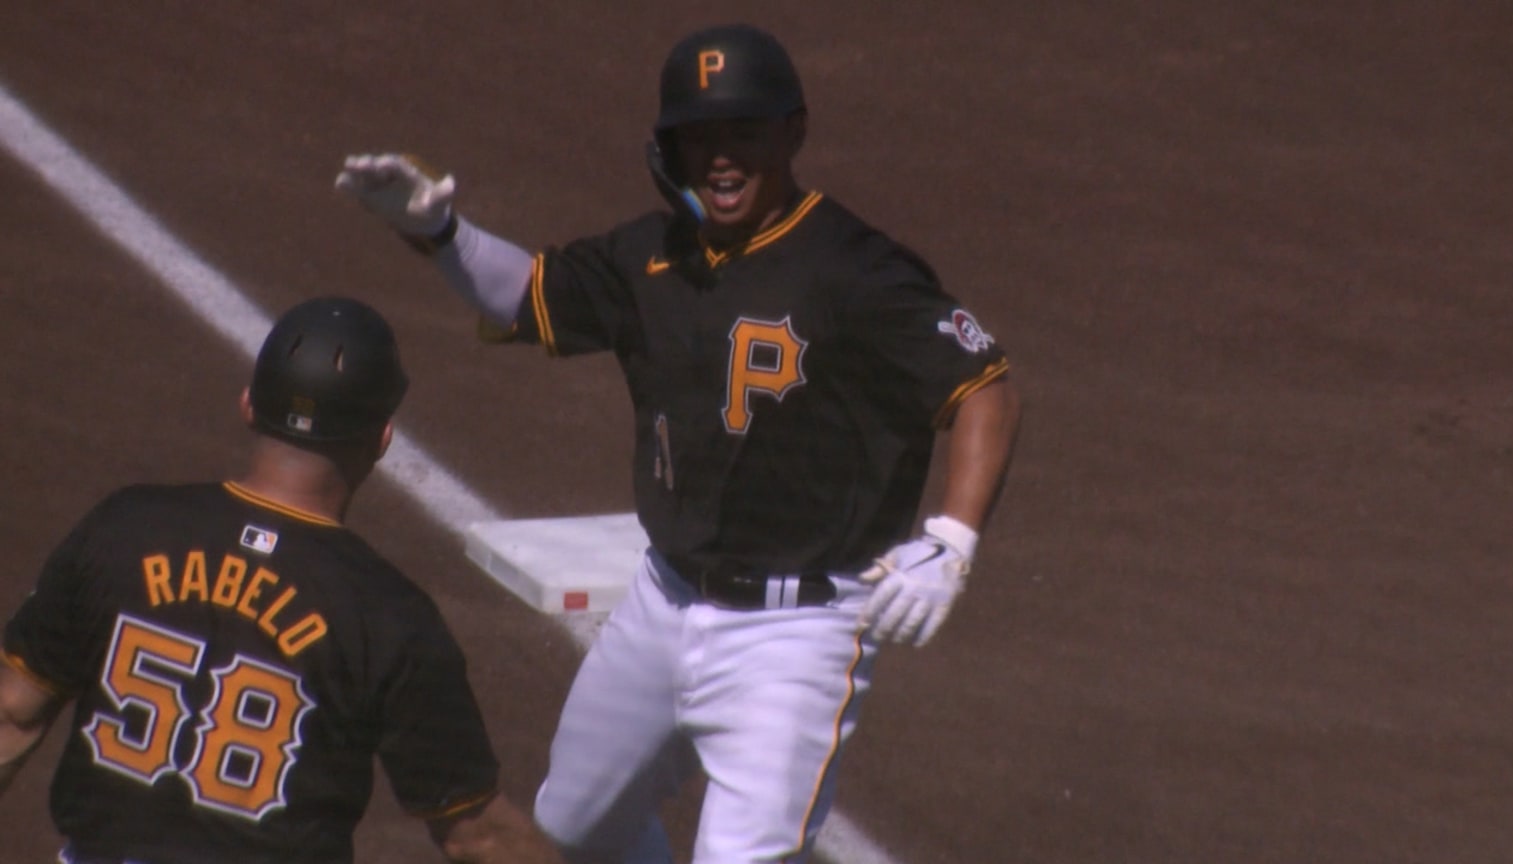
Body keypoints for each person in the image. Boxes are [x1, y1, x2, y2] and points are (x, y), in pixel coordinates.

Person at [334, 22, 1022, 864]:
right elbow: (529, 295)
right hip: (662, 604)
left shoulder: (857, 269)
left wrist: (951, 540)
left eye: (742, 133)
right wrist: (438, 232)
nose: (719, 158)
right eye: (699, 137)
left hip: (797, 633)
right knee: (575, 832)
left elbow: (984, 385)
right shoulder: (652, 256)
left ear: (792, 133)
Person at [0, 297, 557, 864]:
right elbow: (477, 836)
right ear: (383, 438)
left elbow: (14, 712)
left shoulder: (124, 527)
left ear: (248, 405)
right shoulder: (388, 614)